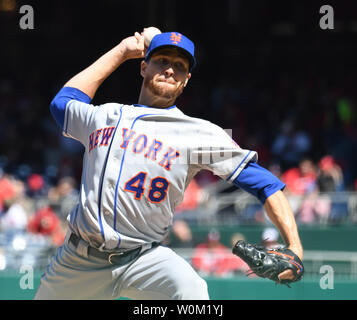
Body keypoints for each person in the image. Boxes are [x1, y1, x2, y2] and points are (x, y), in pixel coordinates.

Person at [35, 29, 303, 300]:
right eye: (162, 60)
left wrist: (295, 247)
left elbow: (266, 184)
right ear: (143, 67)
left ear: (186, 80)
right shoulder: (106, 115)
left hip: (144, 260)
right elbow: (62, 104)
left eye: (179, 66)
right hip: (79, 260)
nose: (170, 69)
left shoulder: (199, 133)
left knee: (192, 292)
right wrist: (121, 51)